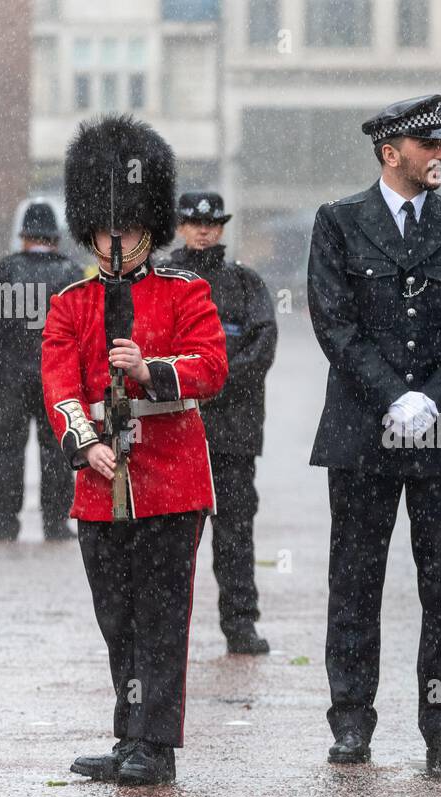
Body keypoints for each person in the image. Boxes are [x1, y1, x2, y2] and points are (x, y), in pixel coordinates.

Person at [306, 94, 441, 765]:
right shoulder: (339, 222)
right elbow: (335, 324)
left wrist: (433, 398)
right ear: (392, 154)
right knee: (355, 581)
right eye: (430, 146)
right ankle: (351, 719)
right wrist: (393, 395)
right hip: (364, 427)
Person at [42, 114, 227, 785]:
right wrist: (84, 444)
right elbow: (58, 381)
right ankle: (130, 734)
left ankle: (155, 745)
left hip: (171, 478)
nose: (114, 242)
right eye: (103, 230)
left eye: (126, 229)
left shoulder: (187, 291)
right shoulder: (70, 304)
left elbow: (211, 366)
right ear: (88, 230)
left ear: (150, 229)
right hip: (99, 479)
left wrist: (152, 369)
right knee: (115, 615)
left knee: (160, 614)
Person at [168, 191, 277, 654]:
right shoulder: (162, 281)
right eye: (195, 222)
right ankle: (168, 628)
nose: (204, 230)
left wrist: (213, 382)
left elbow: (263, 343)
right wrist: (183, 385)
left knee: (235, 532)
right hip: (175, 432)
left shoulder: (245, 284)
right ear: (180, 226)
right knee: (173, 540)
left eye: (212, 223)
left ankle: (240, 623)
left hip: (233, 433)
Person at [0, 200, 85, 542]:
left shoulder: (4, 271)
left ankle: (5, 521)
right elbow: (91, 330)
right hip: (56, 382)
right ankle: (56, 523)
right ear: (56, 238)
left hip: (9, 380)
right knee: (59, 452)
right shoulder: (72, 275)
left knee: (6, 450)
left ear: (23, 236)